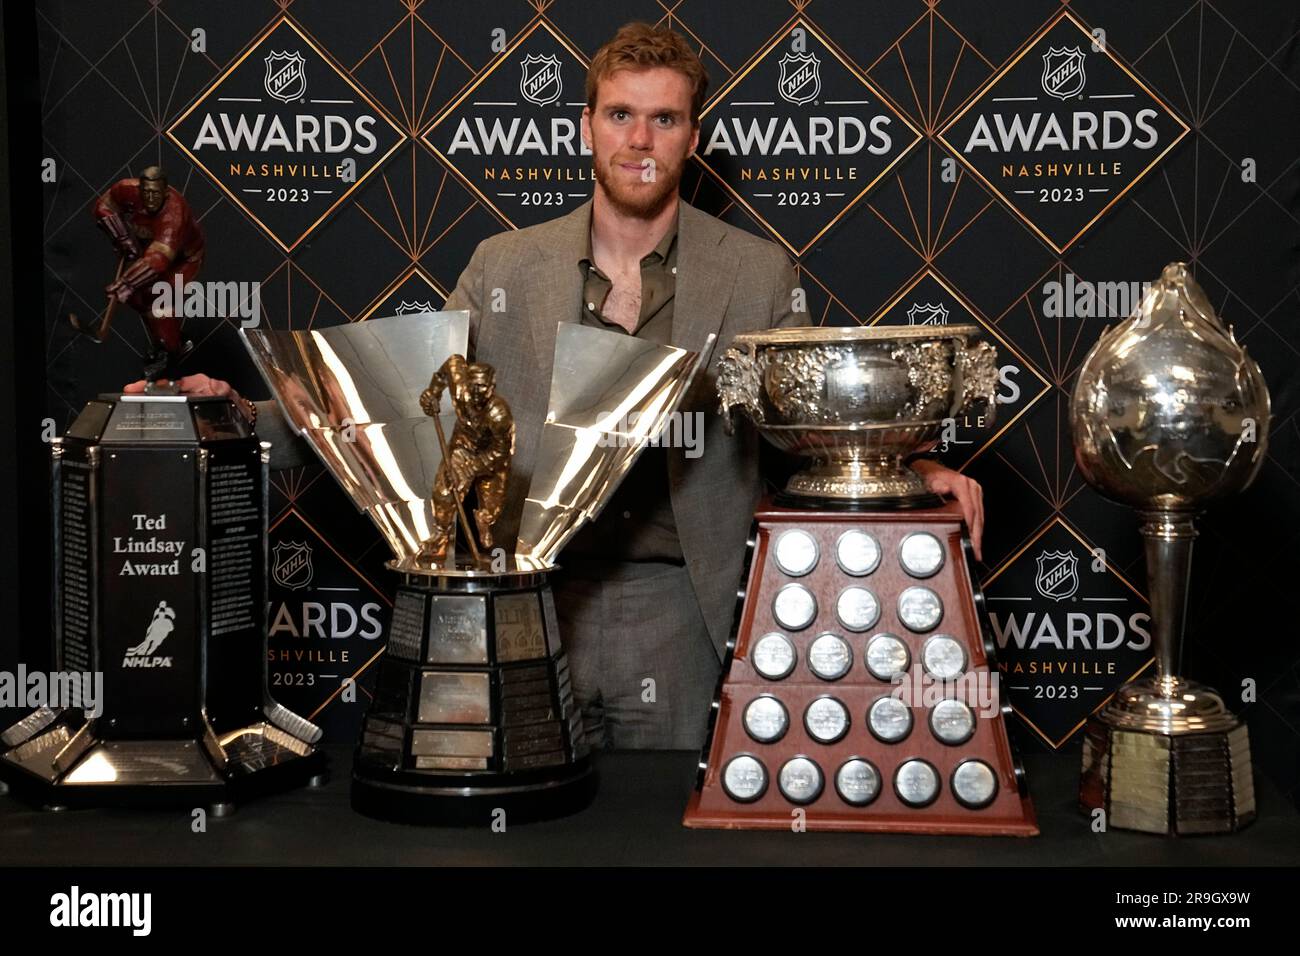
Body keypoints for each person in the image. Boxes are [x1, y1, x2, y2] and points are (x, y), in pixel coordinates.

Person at [128, 23, 984, 749]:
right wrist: (235, 414)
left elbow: (802, 416)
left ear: (693, 135)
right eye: (620, 115)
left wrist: (905, 475)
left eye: (663, 119)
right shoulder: (506, 265)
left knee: (677, 845)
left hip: (687, 610)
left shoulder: (756, 272)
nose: (639, 141)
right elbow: (399, 404)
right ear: (585, 127)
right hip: (530, 598)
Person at [79, 166, 204, 380]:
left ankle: (170, 350)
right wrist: (121, 236)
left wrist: (127, 283)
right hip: (151, 253)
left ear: (165, 193)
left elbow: (159, 261)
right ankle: (171, 340)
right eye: (146, 193)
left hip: (183, 260)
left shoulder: (174, 213)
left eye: (155, 194)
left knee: (156, 297)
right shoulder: (126, 189)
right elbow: (102, 207)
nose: (150, 198)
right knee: (139, 300)